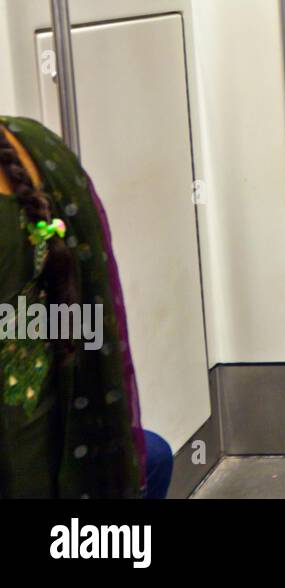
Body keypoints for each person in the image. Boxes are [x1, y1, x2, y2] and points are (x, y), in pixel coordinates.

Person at [0, 115, 170, 497]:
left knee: (156, 457)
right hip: (79, 449)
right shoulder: (41, 150)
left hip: (38, 453)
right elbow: (88, 329)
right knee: (154, 457)